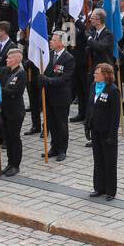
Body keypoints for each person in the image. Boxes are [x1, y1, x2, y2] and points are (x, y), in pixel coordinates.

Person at [39, 32, 74, 161]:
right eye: (51, 40)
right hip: (49, 95)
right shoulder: (48, 55)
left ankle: (62, 149)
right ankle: (54, 147)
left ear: (61, 42)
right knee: (51, 123)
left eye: (54, 40)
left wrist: (48, 80)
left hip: (61, 96)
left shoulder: (68, 58)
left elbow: (65, 78)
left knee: (61, 124)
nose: (51, 42)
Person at [87, 61, 120, 197]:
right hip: (95, 129)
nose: (94, 74)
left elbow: (115, 115)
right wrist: (87, 125)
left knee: (109, 161)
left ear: (105, 75)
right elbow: (90, 106)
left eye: (97, 73)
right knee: (98, 159)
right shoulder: (94, 86)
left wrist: (112, 135)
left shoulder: (112, 90)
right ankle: (99, 187)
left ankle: (110, 190)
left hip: (107, 132)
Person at [0, 48, 28, 177]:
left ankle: (16, 165)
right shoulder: (5, 71)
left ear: (16, 59)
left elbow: (15, 92)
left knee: (14, 138)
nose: (6, 60)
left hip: (15, 111)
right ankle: (9, 163)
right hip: (4, 110)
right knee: (8, 139)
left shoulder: (21, 74)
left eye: (9, 58)